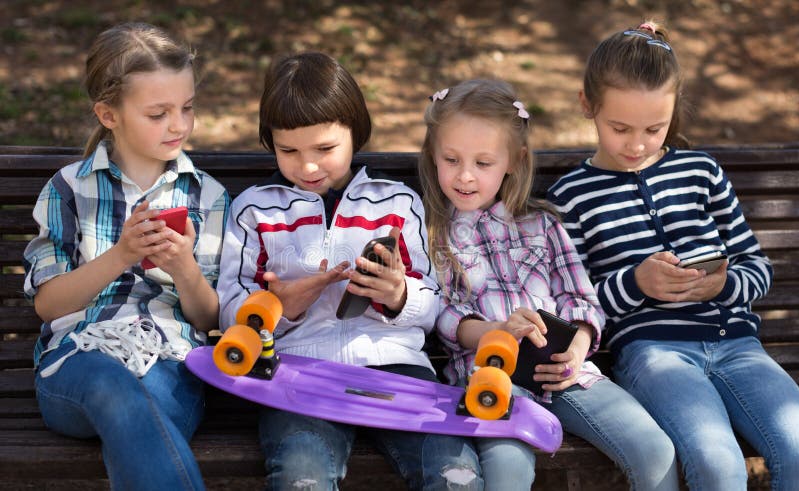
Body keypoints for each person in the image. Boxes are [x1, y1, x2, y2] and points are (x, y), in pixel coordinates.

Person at [547, 21, 799, 490]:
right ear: (587, 106)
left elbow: (756, 266)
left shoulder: (700, 172)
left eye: (654, 128)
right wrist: (636, 283)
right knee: (717, 463)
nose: (637, 144)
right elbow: (573, 303)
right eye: (619, 128)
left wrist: (724, 284)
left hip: (738, 346)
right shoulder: (570, 196)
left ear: (673, 113)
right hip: (653, 354)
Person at [216, 51, 483, 490]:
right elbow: (230, 311)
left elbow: (432, 305)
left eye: (325, 149)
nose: (307, 166)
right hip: (296, 373)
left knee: (457, 475)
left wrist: (398, 293)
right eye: (288, 150)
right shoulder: (255, 210)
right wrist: (279, 308)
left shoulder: (397, 203)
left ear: (355, 134)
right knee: (302, 477)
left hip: (397, 368)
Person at [419, 78, 679, 490]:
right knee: (508, 468)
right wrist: (495, 333)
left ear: (514, 161)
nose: (464, 176)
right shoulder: (433, 232)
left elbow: (582, 300)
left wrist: (576, 349)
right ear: (433, 155)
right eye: (451, 159)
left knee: (655, 451)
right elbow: (445, 313)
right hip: (491, 377)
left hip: (565, 371)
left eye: (483, 163)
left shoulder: (542, 224)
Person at [23, 22, 230, 490]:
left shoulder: (208, 197)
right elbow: (49, 305)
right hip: (78, 362)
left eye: (187, 108)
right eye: (158, 113)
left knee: (142, 402)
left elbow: (211, 317)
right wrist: (120, 255)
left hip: (173, 362)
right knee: (113, 386)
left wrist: (184, 269)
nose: (178, 125)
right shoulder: (68, 189)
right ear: (108, 114)